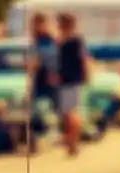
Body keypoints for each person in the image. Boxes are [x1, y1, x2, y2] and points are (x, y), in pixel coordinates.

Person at [56, 13, 89, 157]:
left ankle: (73, 142)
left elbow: (83, 59)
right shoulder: (62, 41)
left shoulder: (75, 41)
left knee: (72, 114)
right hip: (65, 81)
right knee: (68, 114)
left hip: (72, 81)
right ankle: (71, 142)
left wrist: (85, 75)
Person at [29, 13, 58, 154]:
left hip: (49, 81)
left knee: (46, 111)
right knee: (35, 112)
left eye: (39, 24)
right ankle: (35, 143)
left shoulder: (50, 41)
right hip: (39, 81)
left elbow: (52, 60)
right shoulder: (36, 41)